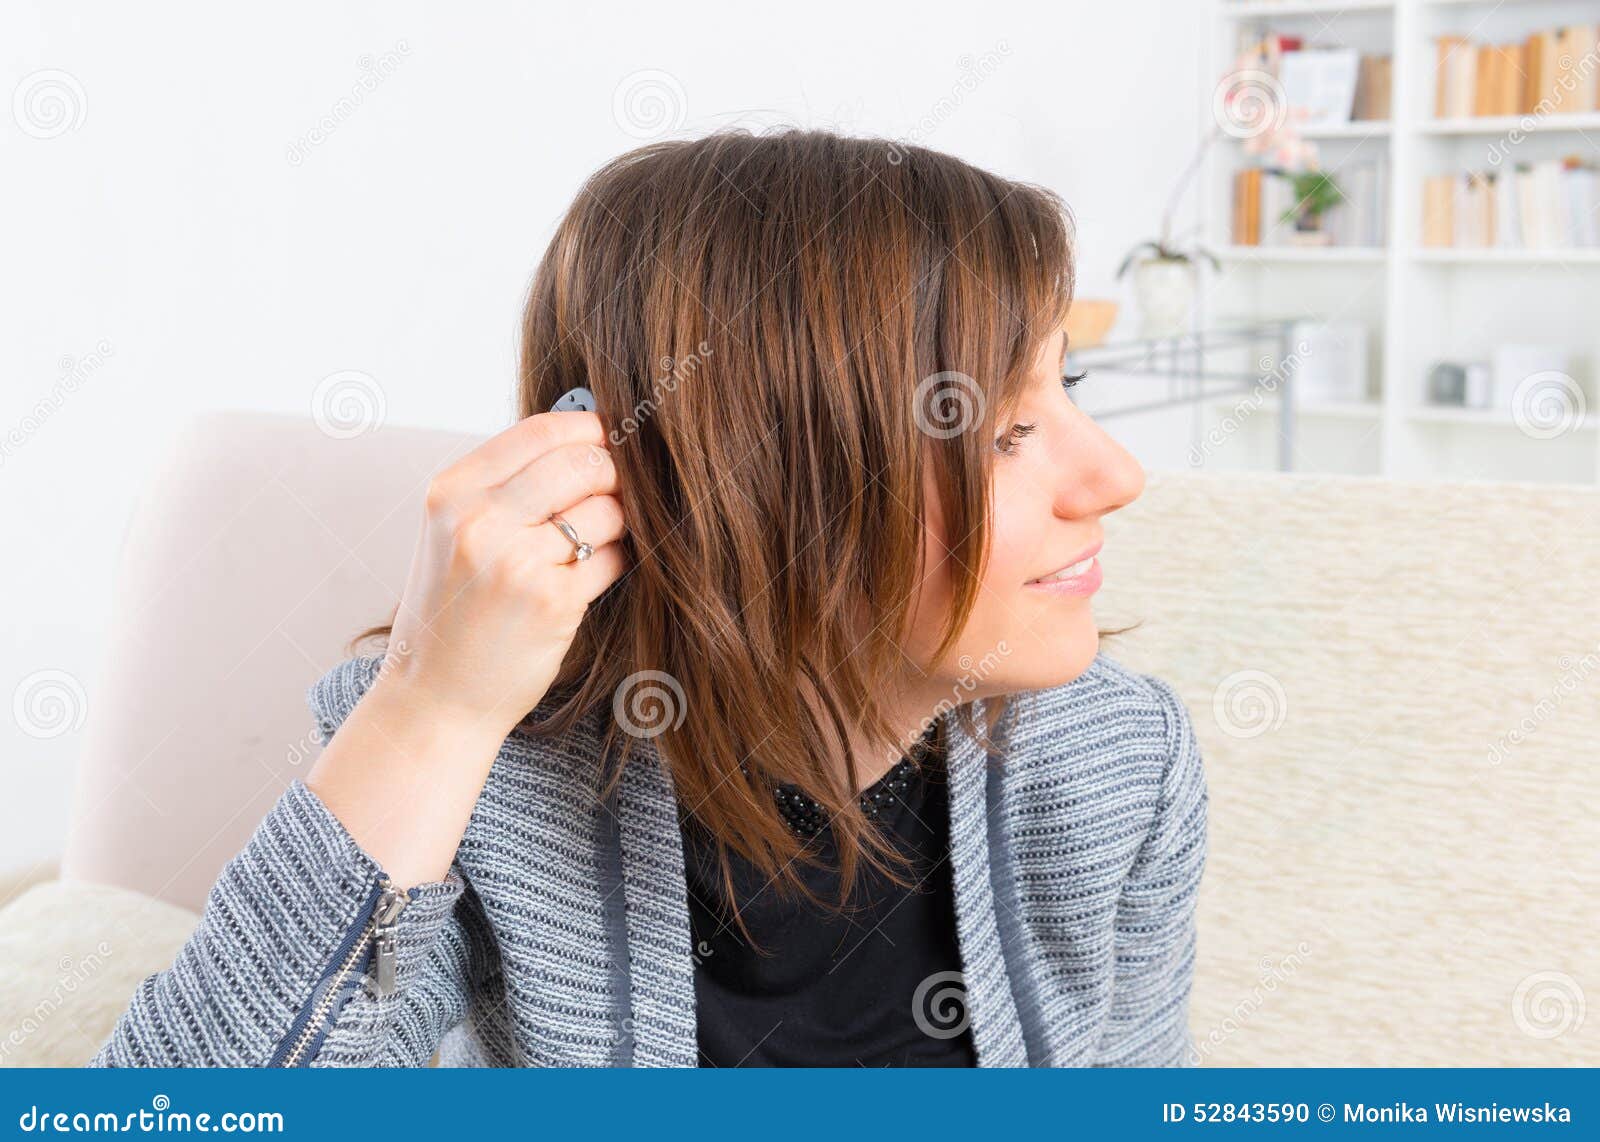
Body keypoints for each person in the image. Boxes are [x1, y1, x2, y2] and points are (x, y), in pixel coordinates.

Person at [89, 127, 1207, 1068]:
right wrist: (433, 708)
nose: (1117, 476)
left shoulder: (1120, 759)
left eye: (1071, 388)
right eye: (1007, 430)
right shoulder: (475, 765)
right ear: (758, 483)